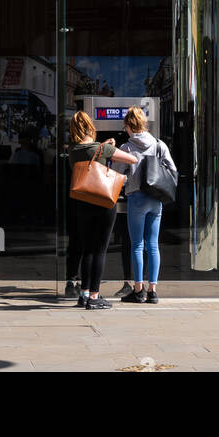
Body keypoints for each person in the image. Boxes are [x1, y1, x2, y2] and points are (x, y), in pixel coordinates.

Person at [67, 110, 136, 310]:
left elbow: (89, 152)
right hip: (103, 202)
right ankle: (95, 297)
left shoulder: (73, 149)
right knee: (100, 250)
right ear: (90, 127)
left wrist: (106, 146)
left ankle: (84, 294)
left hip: (81, 202)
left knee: (87, 249)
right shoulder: (101, 149)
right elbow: (132, 160)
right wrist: (109, 148)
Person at [119, 106, 177, 304]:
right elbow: (172, 170)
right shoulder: (159, 144)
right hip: (156, 199)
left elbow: (118, 175)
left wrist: (130, 180)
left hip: (137, 199)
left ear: (128, 125)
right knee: (153, 245)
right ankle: (153, 290)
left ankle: (138, 290)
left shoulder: (126, 148)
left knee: (136, 245)